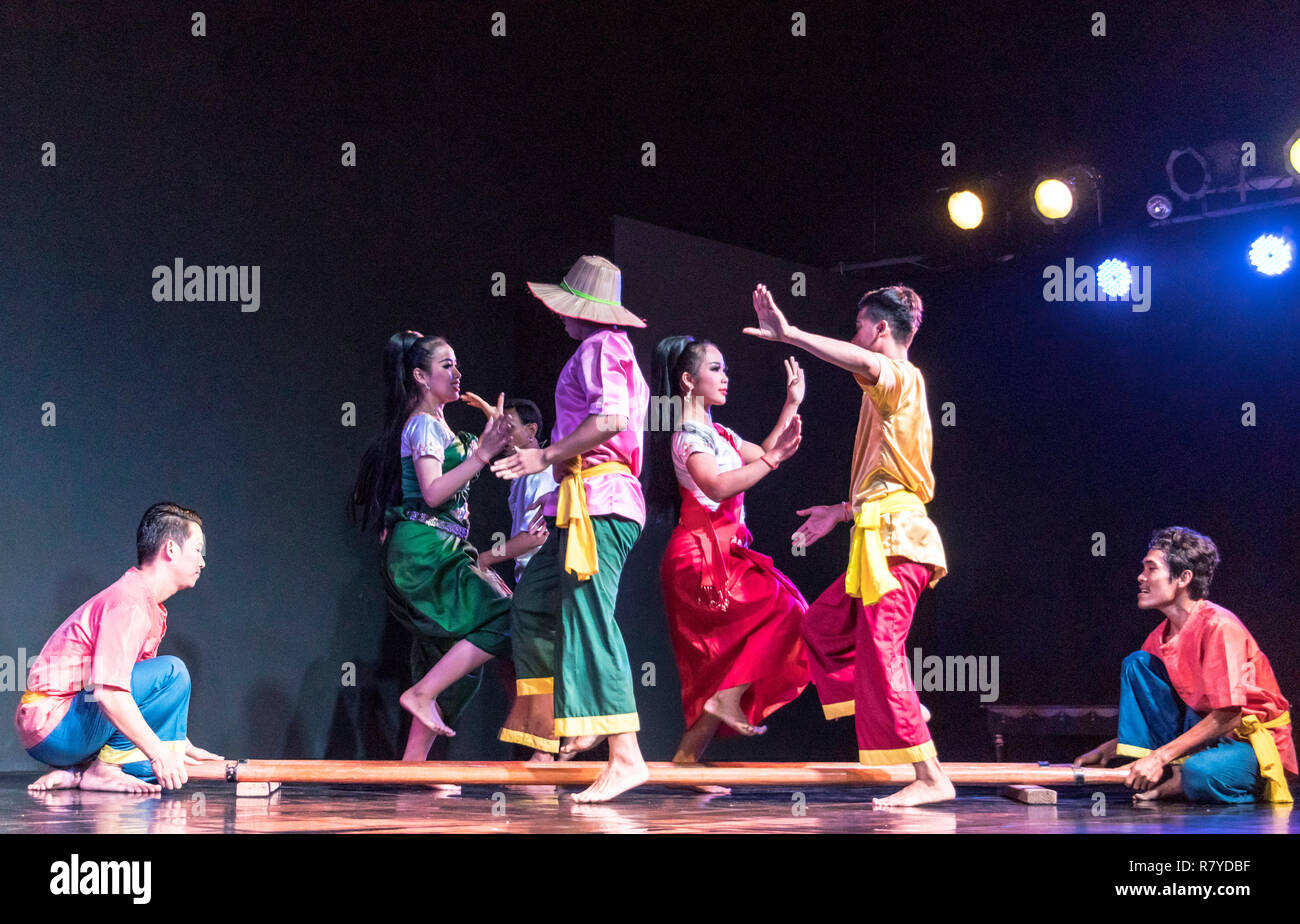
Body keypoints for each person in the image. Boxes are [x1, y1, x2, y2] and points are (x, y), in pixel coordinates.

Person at [745, 283, 952, 806]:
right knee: (822, 625)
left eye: (861, 327)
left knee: (882, 650)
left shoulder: (901, 377)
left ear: (881, 329)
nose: (855, 338)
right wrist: (840, 511)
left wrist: (789, 333)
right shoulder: (885, 399)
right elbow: (888, 476)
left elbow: (860, 359)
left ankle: (929, 775)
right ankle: (896, 699)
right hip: (875, 537)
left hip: (898, 541)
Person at [492, 255, 651, 803]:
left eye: (564, 305)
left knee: (589, 616)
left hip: (601, 500)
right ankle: (563, 721)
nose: (558, 315)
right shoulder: (601, 349)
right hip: (579, 499)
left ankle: (626, 755)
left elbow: (610, 420)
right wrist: (556, 484)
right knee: (534, 603)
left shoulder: (601, 346)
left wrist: (545, 457)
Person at [349, 331, 515, 764]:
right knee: (501, 615)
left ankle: (412, 763)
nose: (457, 373)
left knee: (449, 663)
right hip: (423, 554)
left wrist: (488, 445)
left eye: (457, 364)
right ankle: (420, 693)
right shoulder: (422, 424)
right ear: (421, 376)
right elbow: (434, 491)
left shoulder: (438, 424)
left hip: (441, 549)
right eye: (446, 365)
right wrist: (482, 454)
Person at [649, 335, 809, 775]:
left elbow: (762, 455)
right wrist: (772, 459)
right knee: (790, 612)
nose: (726, 376)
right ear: (687, 380)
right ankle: (725, 698)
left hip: (722, 551)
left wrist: (791, 404)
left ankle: (686, 758)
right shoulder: (687, 434)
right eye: (715, 368)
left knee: (782, 620)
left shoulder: (717, 431)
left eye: (724, 369)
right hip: (699, 557)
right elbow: (719, 486)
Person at [1074, 527, 1295, 803]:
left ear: (1183, 577)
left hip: (1248, 742)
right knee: (1138, 664)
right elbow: (1166, 709)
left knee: (1199, 773)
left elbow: (1229, 714)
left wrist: (1161, 756)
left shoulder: (1219, 626)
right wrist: (1113, 748)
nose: (1141, 577)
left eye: (1151, 569)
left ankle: (1191, 777)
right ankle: (1178, 775)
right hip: (1208, 739)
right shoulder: (1159, 637)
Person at [17, 502, 222, 793]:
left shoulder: (144, 602)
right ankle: (103, 771)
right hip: (55, 725)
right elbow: (110, 693)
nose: (202, 562)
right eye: (198, 550)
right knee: (173, 673)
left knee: (150, 768)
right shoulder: (130, 603)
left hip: (63, 729)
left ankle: (77, 772)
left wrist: (178, 744)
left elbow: (137, 694)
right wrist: (161, 752)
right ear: (171, 549)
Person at [476, 398, 557, 585]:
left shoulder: (541, 474)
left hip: (544, 581)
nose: (503, 437)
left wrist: (486, 558)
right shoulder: (521, 478)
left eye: (509, 429)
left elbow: (535, 536)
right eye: (500, 430)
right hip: (533, 579)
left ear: (531, 431)